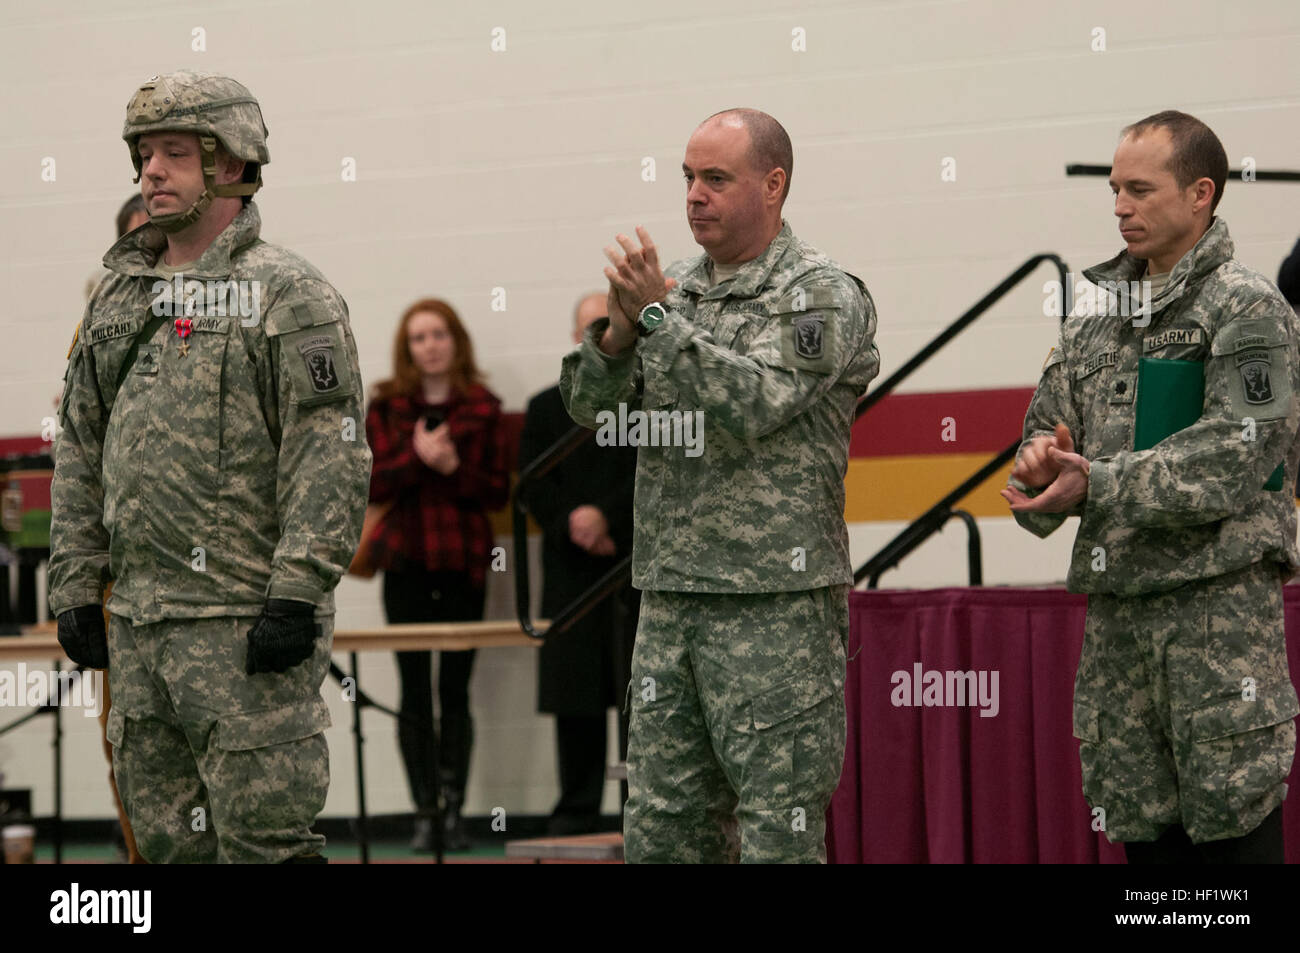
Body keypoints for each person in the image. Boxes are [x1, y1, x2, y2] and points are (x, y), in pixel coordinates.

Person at [48, 71, 371, 863]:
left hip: (244, 630)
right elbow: (78, 445)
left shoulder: (290, 295)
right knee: (165, 849)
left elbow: (327, 453)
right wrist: (74, 582)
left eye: (172, 154)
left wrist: (298, 589)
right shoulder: (118, 299)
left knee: (265, 847)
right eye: (142, 155)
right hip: (141, 631)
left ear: (229, 163)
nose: (149, 172)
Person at [560, 108, 880, 863]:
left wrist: (659, 321)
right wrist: (616, 337)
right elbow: (591, 410)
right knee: (663, 828)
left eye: (715, 178)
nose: (694, 195)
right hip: (671, 599)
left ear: (773, 185)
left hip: (775, 605)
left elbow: (754, 403)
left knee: (778, 829)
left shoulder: (820, 295)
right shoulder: (679, 291)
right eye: (688, 178)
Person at [1002, 111, 1300, 864]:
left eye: (1140, 189)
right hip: (1119, 630)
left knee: (1233, 857)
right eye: (1114, 189)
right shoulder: (1093, 318)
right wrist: (1038, 468)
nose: (1119, 207)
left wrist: (1094, 482)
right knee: (1148, 862)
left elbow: (1233, 454)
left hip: (1217, 628)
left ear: (1201, 194)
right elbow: (1045, 437)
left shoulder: (1250, 309)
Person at [364, 298, 508, 852]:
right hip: (406, 566)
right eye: (419, 337)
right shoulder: (385, 408)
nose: (430, 345)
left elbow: (496, 491)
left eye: (439, 335)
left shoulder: (483, 407)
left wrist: (452, 468)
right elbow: (372, 483)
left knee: (455, 692)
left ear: (455, 342)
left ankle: (455, 811)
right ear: (408, 348)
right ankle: (423, 810)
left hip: (464, 567)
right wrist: (417, 460)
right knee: (413, 694)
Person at [519, 292, 639, 836]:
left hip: (633, 565)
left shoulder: (647, 404)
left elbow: (653, 476)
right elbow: (530, 486)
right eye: (590, 327)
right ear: (577, 339)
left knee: (645, 695)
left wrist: (608, 518)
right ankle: (577, 810)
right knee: (578, 698)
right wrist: (574, 521)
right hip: (571, 572)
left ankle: (646, 807)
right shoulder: (547, 407)